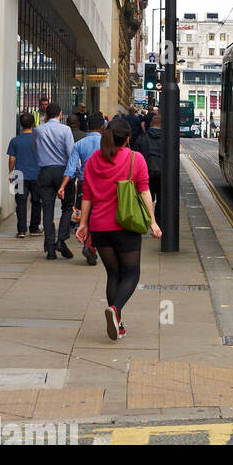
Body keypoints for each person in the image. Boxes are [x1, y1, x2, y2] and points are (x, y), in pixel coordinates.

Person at [76, 116, 161, 340]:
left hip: (100, 226)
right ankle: (115, 310)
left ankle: (118, 323)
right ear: (128, 138)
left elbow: (87, 195)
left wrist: (84, 224)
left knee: (113, 274)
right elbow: (144, 192)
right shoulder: (136, 159)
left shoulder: (94, 160)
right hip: (126, 225)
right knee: (132, 273)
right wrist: (152, 222)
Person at [59, 111, 105, 264]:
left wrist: (63, 186)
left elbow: (71, 168)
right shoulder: (106, 143)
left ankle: (89, 244)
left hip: (85, 182)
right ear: (101, 127)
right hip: (103, 183)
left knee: (87, 214)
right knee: (99, 216)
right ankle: (91, 245)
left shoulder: (79, 144)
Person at [33, 103, 76, 259]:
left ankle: (50, 248)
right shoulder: (66, 130)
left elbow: (35, 148)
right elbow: (71, 152)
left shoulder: (38, 130)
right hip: (62, 171)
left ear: (46, 114)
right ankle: (61, 239)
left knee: (48, 210)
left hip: (45, 171)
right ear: (60, 113)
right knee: (67, 207)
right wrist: (74, 172)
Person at [7, 112, 42, 238]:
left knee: (21, 202)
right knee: (37, 201)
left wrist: (11, 173)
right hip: (37, 175)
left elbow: (12, 159)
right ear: (33, 124)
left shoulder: (15, 140)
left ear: (21, 125)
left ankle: (21, 230)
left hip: (20, 175)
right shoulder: (38, 140)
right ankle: (34, 228)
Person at [136, 111, 163, 228]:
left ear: (151, 123)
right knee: (161, 200)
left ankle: (146, 221)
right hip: (162, 175)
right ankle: (158, 222)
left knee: (146, 197)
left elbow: (135, 155)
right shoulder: (168, 139)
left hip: (146, 174)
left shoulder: (142, 138)